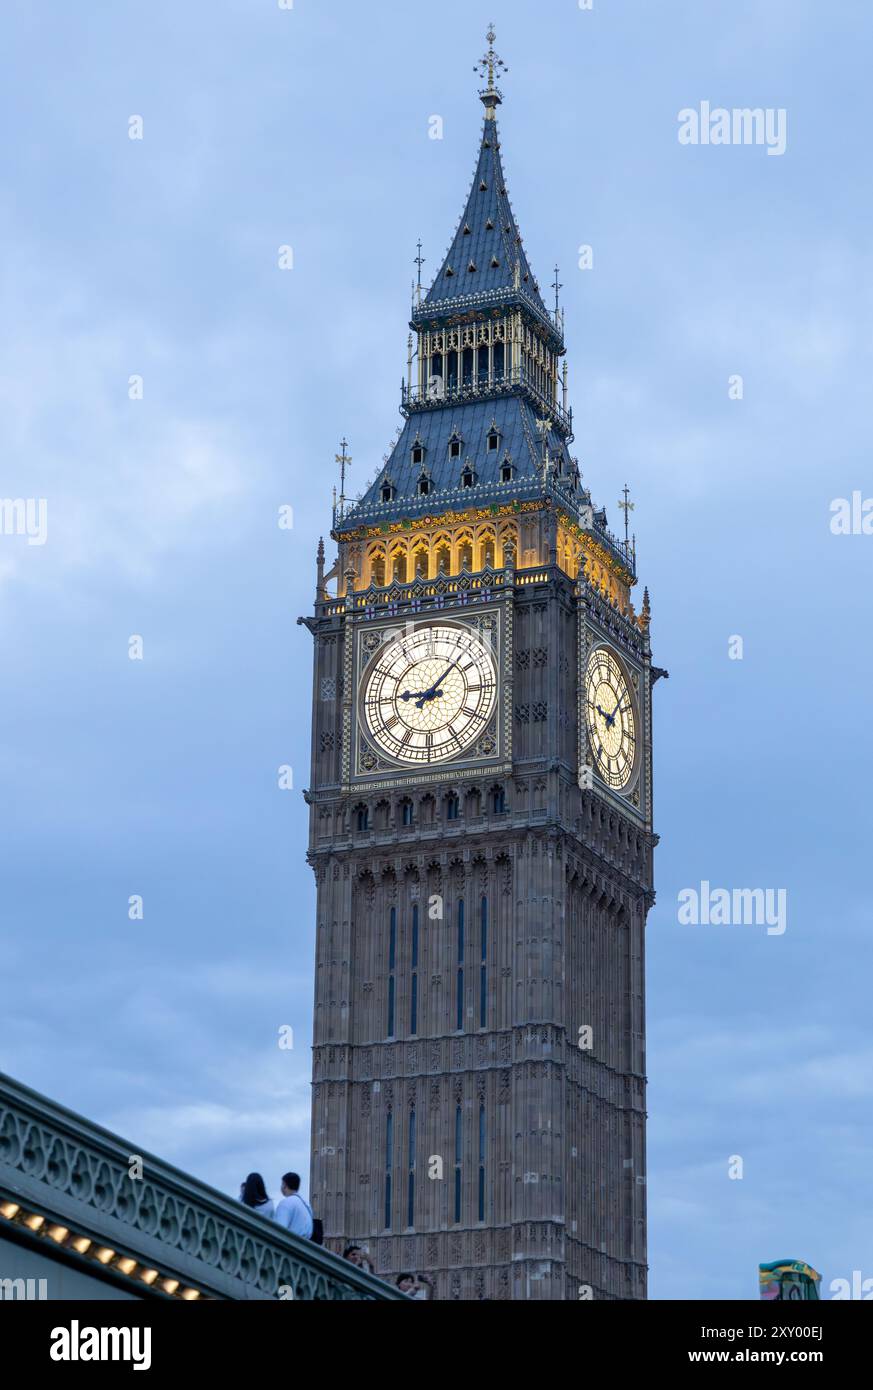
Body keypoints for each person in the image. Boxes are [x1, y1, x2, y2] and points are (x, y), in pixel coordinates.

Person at [273, 1171, 314, 1238]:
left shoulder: (286, 1203)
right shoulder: (307, 1205)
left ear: (284, 1185)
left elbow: (279, 1230)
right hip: (304, 1246)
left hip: (289, 1246)